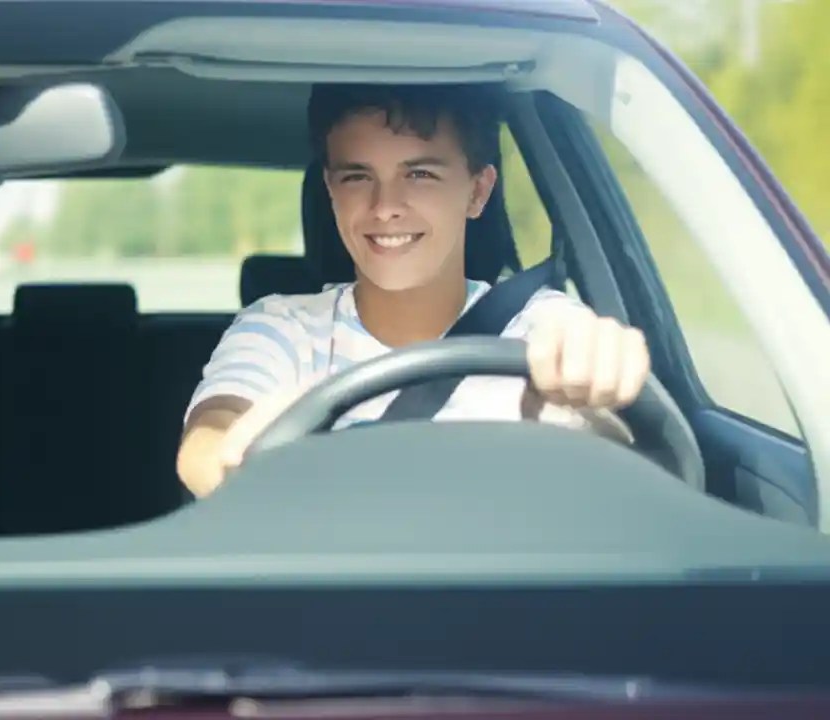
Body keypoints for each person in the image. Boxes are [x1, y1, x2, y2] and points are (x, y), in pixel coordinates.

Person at [177, 84, 651, 498]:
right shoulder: (284, 327)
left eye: (420, 174)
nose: (385, 208)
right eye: (357, 177)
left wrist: (601, 369)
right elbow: (207, 439)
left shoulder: (537, 325)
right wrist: (234, 455)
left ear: (478, 191)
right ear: (330, 190)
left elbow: (584, 350)